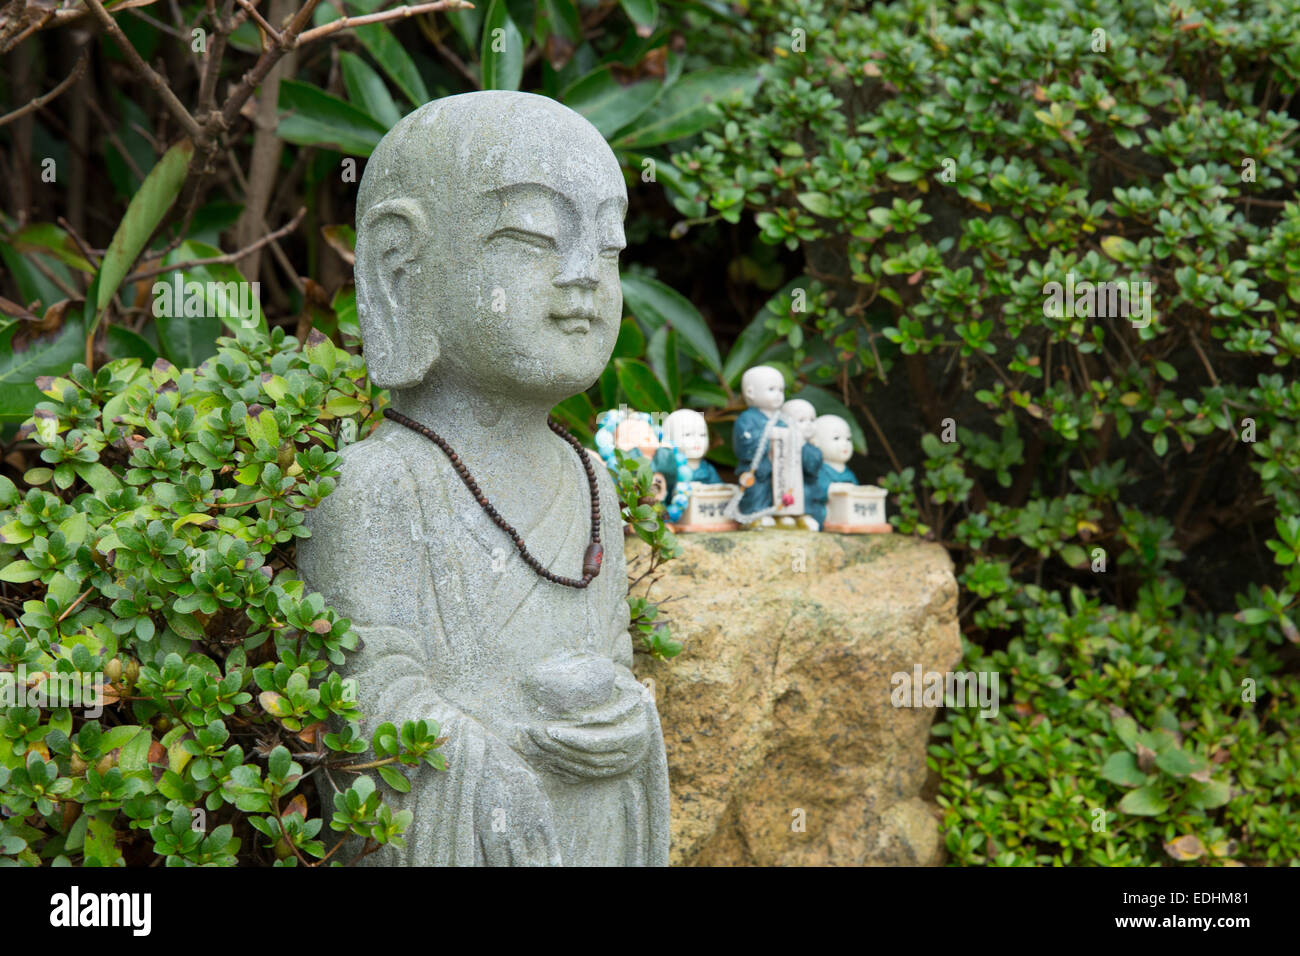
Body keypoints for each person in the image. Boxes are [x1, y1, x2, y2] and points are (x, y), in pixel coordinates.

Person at [298, 92, 669, 866]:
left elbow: (614, 661)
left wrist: (627, 723)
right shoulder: (378, 484)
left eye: (607, 247)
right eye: (534, 235)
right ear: (402, 268)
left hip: (591, 828)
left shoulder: (592, 480)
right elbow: (361, 704)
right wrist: (487, 765)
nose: (583, 278)